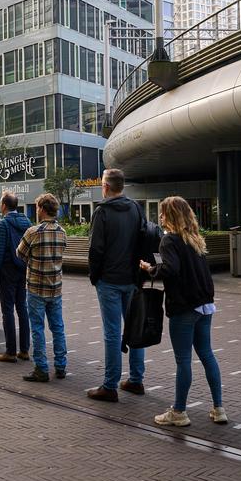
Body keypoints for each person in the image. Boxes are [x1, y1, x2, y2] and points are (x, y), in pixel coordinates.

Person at [139, 196, 226, 425]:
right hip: (204, 304)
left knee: (183, 360)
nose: (159, 217)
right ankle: (219, 408)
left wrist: (151, 269)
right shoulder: (194, 238)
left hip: (184, 305)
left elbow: (171, 269)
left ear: (171, 216)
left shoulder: (169, 241)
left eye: (163, 213)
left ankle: (179, 412)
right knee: (207, 355)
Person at [85, 169, 147, 402]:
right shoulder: (135, 209)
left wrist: (95, 275)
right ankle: (136, 380)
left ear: (106, 187)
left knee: (112, 333)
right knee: (134, 330)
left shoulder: (102, 212)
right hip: (131, 279)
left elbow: (96, 249)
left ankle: (110, 385)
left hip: (109, 280)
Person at [16, 193, 68, 382]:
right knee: (58, 327)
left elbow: (19, 253)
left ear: (43, 209)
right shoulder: (62, 231)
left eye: (37, 207)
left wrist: (32, 260)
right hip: (56, 288)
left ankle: (41, 368)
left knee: (37, 328)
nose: (36, 210)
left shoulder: (33, 232)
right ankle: (61, 366)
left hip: (36, 287)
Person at [0, 191, 32, 363]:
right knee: (22, 308)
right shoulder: (27, 222)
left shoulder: (3, 224)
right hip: (24, 270)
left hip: (7, 271)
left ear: (4, 206)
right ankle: (24, 350)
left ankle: (10, 351)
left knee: (7, 310)